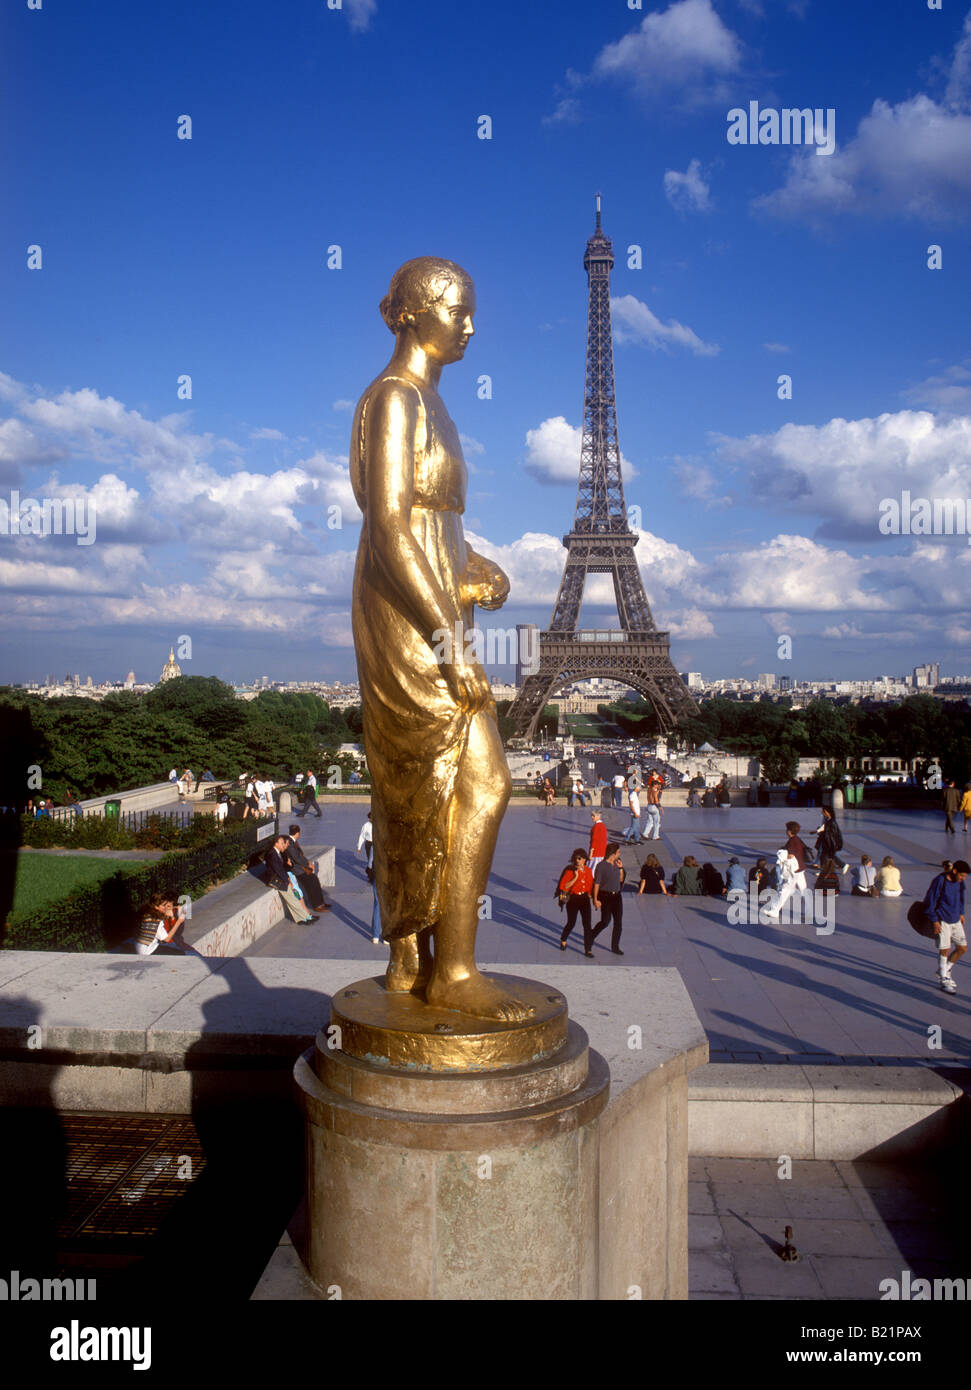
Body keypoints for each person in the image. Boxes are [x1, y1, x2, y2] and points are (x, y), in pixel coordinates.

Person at [921, 858, 969, 992]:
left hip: (955, 919)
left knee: (962, 948)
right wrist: (934, 920)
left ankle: (944, 970)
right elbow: (930, 901)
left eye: (965, 876)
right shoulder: (940, 881)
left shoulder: (960, 882)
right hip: (942, 919)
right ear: (954, 871)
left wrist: (961, 913)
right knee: (945, 949)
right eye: (961, 875)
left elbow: (961, 898)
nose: (963, 879)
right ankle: (944, 978)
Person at [265, 833, 318, 924]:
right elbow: (279, 870)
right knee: (293, 900)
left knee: (293, 899)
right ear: (276, 844)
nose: (283, 845)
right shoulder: (273, 854)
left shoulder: (276, 853)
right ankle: (305, 917)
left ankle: (301, 919)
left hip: (281, 878)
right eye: (281, 843)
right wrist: (287, 880)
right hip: (278, 881)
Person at [284, 824, 330, 912]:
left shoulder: (292, 841)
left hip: (300, 867)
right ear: (297, 833)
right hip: (297, 869)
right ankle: (316, 905)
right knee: (311, 882)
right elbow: (296, 858)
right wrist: (307, 865)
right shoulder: (290, 843)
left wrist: (308, 862)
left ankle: (321, 903)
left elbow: (300, 856)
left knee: (314, 879)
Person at [589, 843, 625, 955]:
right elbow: (597, 884)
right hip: (605, 896)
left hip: (617, 896)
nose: (620, 854)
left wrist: (621, 868)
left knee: (618, 923)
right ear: (612, 854)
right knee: (605, 921)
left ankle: (615, 946)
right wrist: (595, 899)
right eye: (618, 852)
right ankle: (591, 936)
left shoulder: (617, 864)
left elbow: (621, 879)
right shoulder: (601, 866)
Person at [557, 848, 593, 950]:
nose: (577, 860)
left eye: (580, 858)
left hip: (584, 899)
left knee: (587, 924)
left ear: (584, 859)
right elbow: (564, 886)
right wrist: (575, 877)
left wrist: (592, 896)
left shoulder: (589, 871)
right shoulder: (570, 871)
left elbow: (590, 884)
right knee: (571, 922)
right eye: (576, 858)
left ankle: (588, 949)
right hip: (573, 899)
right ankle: (563, 939)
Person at [763, 847, 800, 920]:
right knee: (781, 894)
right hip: (787, 881)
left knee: (782, 894)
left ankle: (775, 911)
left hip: (789, 881)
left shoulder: (791, 861)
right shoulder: (787, 860)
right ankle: (774, 910)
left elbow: (793, 872)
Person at [813, 806, 848, 875]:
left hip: (829, 842)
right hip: (826, 841)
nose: (822, 813)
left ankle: (843, 865)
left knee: (829, 855)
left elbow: (833, 833)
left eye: (824, 811)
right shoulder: (827, 820)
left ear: (828, 813)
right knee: (825, 856)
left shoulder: (832, 821)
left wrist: (822, 831)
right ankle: (824, 870)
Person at [357, 812, 374, 881]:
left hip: (376, 844)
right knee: (370, 860)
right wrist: (359, 847)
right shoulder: (366, 826)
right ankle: (371, 877)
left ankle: (371, 873)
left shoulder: (378, 824)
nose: (371, 819)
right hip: (369, 844)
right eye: (370, 818)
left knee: (374, 861)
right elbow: (362, 836)